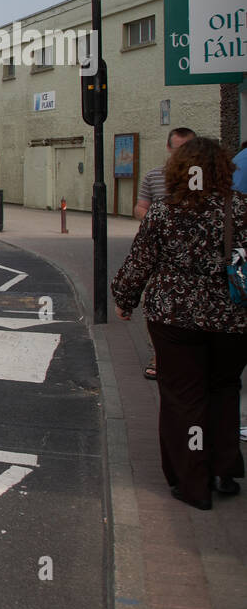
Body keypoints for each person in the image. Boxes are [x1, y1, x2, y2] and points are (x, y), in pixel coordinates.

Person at [111, 137, 247, 510]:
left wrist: (125, 300)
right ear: (223, 169)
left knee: (185, 398)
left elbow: (140, 263)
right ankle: (223, 468)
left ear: (178, 170)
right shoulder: (241, 209)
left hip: (175, 317)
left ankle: (193, 481)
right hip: (231, 318)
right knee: (223, 389)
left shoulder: (165, 212)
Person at [133, 127, 197, 380]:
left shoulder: (207, 178)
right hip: (164, 257)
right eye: (179, 148)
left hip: (199, 260)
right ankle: (159, 356)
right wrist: (156, 222)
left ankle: (192, 358)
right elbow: (140, 207)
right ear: (169, 148)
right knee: (159, 307)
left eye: (189, 148)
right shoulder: (155, 176)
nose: (184, 153)